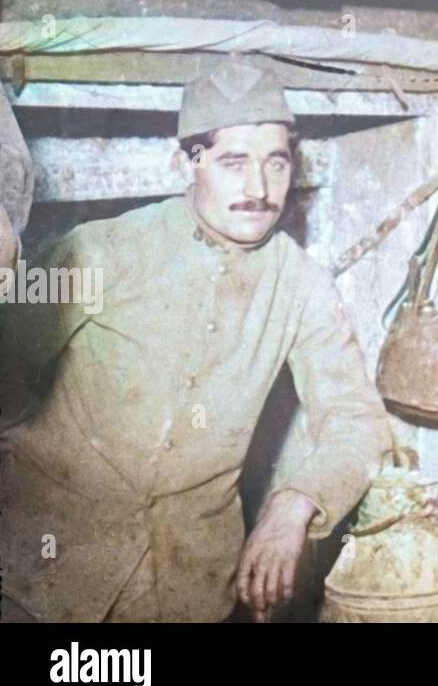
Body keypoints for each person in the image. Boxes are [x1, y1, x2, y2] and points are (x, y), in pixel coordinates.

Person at [0, 59, 392, 623]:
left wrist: (294, 504)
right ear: (188, 160)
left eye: (276, 164)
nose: (259, 189)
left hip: (187, 590)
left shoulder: (302, 286)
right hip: (45, 579)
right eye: (234, 163)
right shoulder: (100, 251)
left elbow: (359, 421)